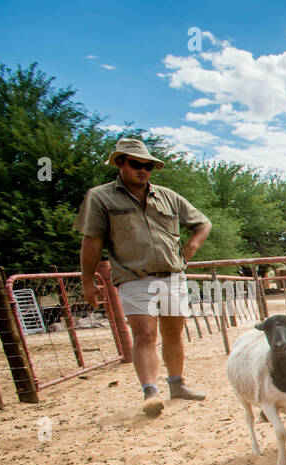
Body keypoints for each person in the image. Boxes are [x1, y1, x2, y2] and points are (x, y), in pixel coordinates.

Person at [77, 138, 211, 417]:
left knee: (173, 332)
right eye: (136, 164)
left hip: (173, 275)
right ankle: (151, 392)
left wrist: (190, 248)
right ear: (120, 163)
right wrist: (88, 281)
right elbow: (92, 241)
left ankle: (177, 384)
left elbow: (203, 223)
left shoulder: (167, 196)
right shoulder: (100, 197)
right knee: (145, 334)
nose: (143, 170)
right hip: (133, 276)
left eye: (148, 166)